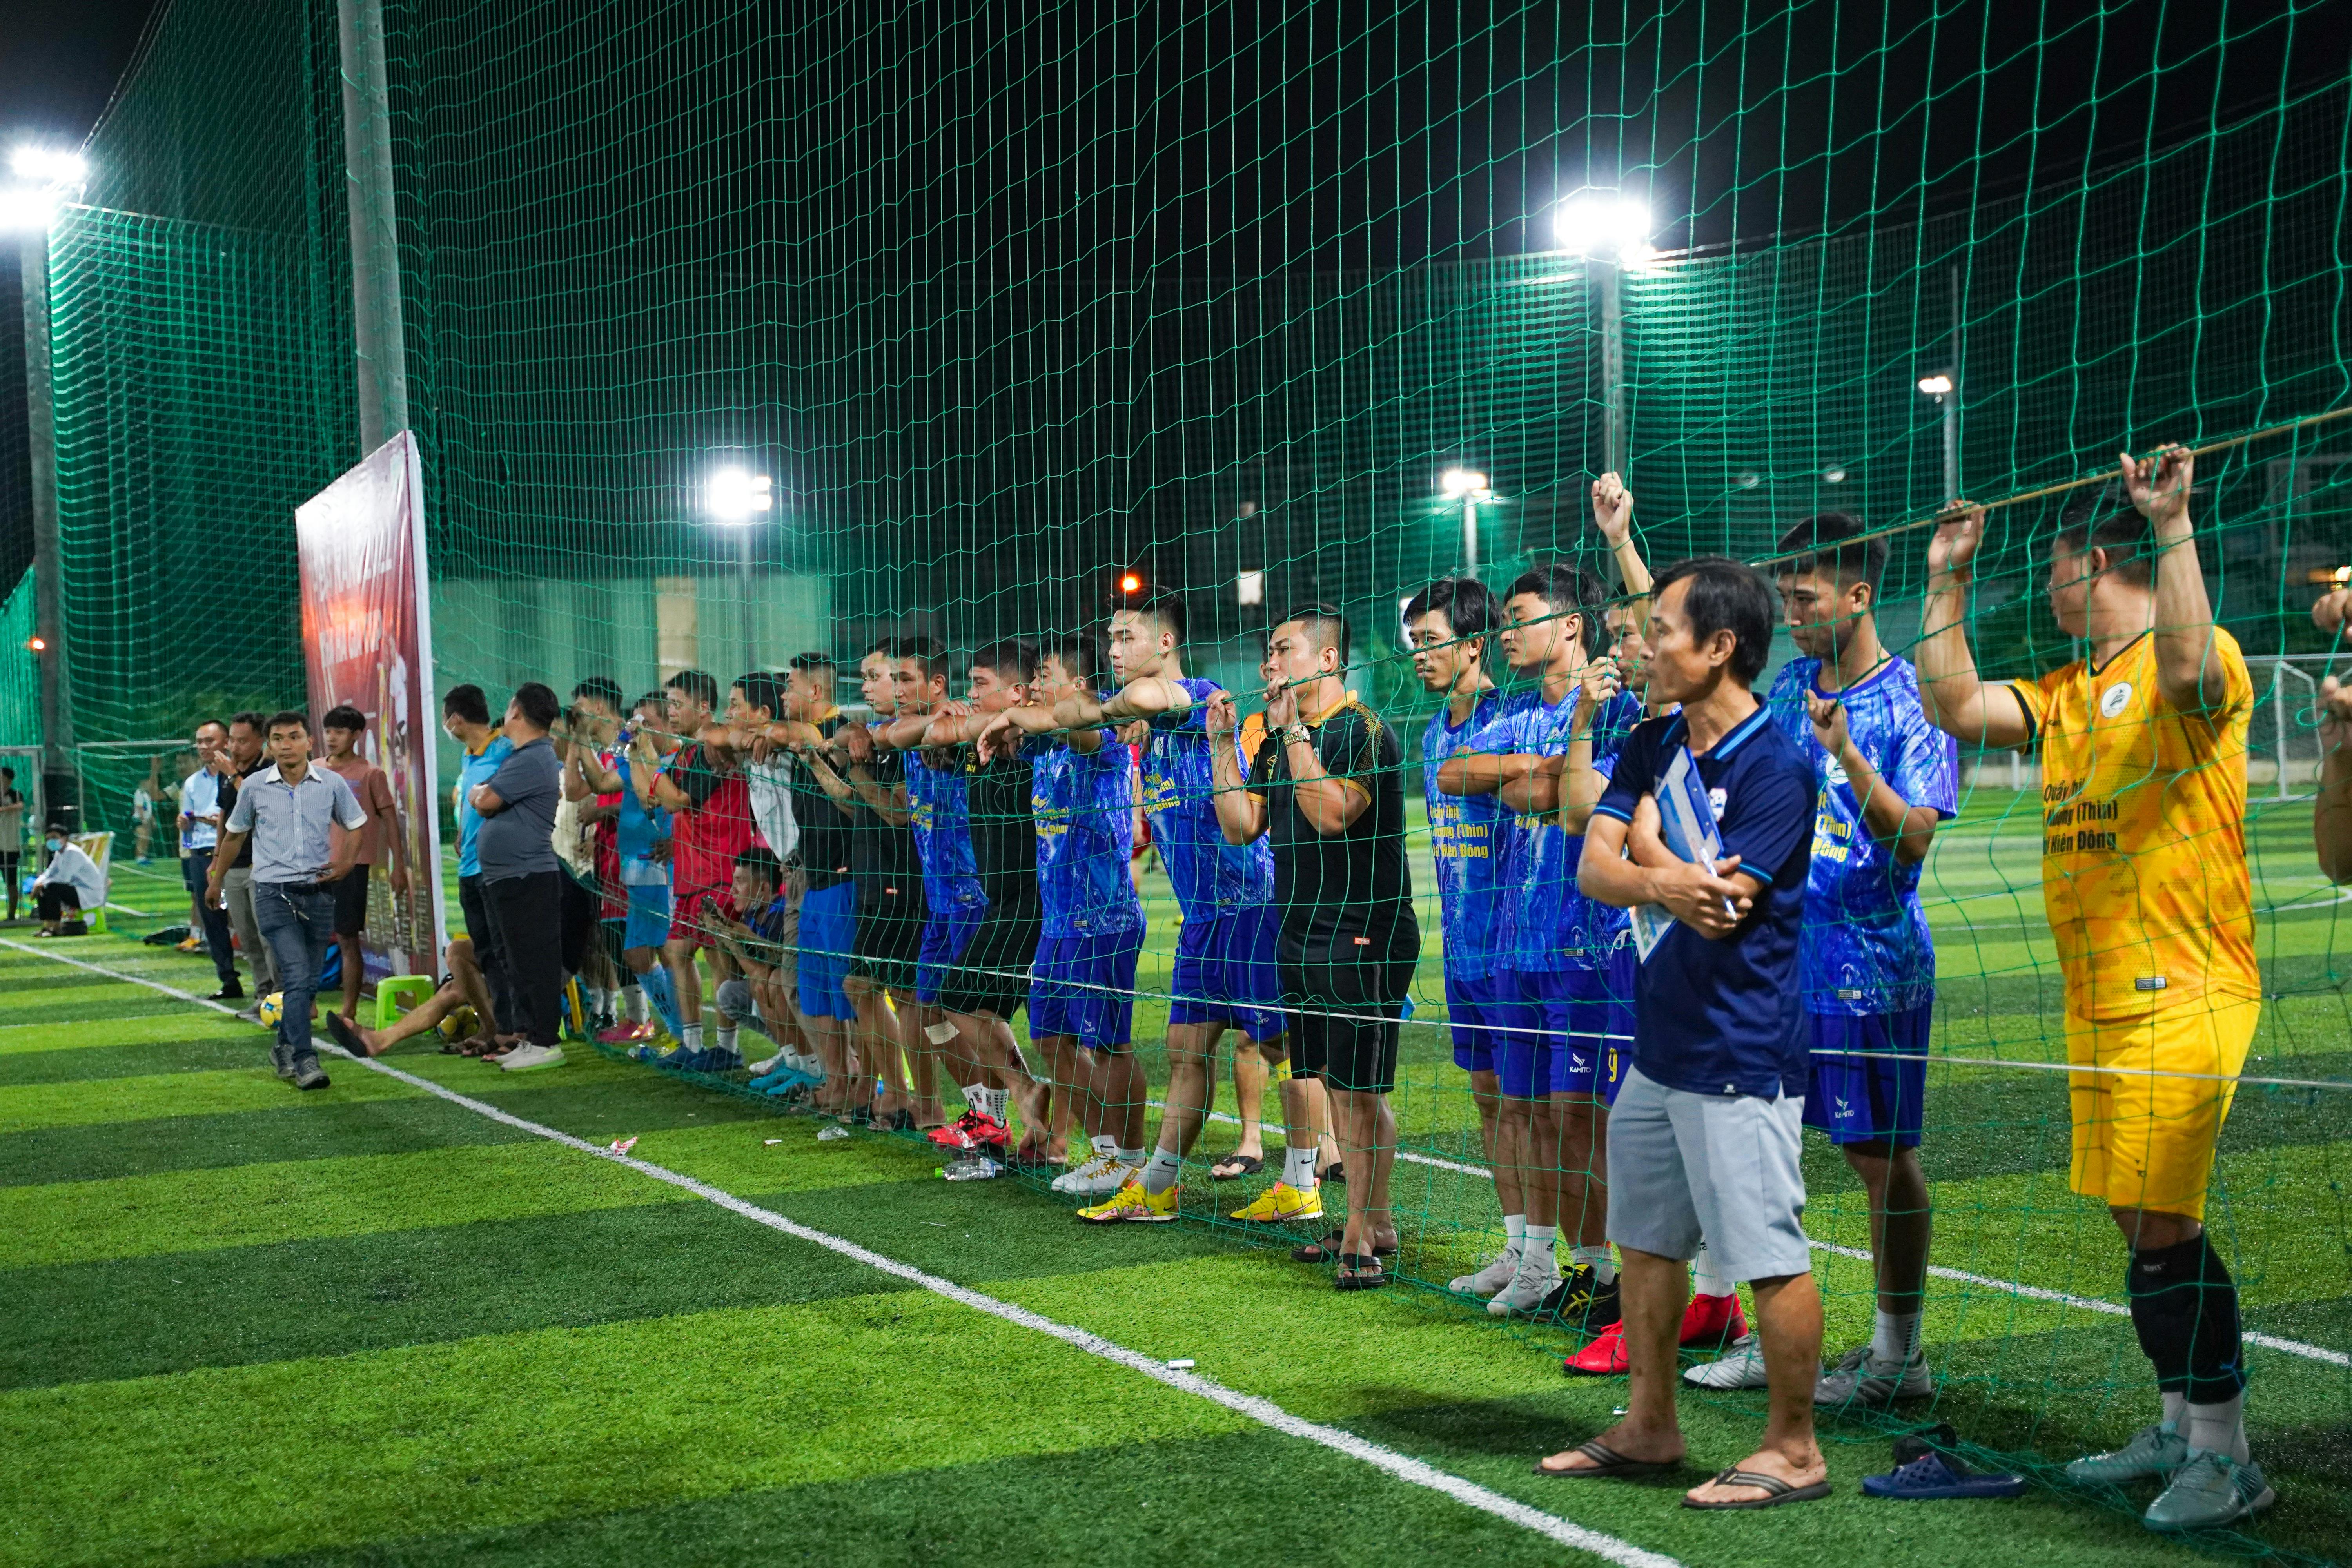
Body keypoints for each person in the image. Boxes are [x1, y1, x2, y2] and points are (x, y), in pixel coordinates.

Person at [1915, 447, 2268, 1530]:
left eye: (2056, 569)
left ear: (2094, 561)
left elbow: (2187, 670)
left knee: (2163, 1221)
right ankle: (2180, 1422)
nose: (2051, 589)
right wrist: (1948, 579)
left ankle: (2229, 1456)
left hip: (2187, 979)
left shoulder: (2188, 662)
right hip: (2101, 991)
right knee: (2137, 1219)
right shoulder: (2066, 694)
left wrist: (2173, 526)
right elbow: (1955, 704)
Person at [1537, 556, 1827, 1510]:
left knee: (1766, 1252)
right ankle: (1651, 1424)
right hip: (1659, 1045)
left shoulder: (1779, 766)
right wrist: (1660, 869)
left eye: (1661, 628)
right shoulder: (1654, 740)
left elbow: (1726, 906)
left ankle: (1793, 1448)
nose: (1643, 642)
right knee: (1647, 1241)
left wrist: (1650, 851)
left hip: (1740, 1051)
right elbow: (1595, 865)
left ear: (1719, 648)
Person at [1691, 512, 1956, 1405]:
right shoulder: (1789, 683)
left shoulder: (1915, 698)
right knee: (1762, 1151)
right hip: (1775, 964)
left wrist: (1843, 751)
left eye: (1806, 598)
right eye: (1788, 599)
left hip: (1869, 965)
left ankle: (1898, 1353)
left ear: (1858, 594)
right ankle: (1781, 1340)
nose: (1794, 615)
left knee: (1881, 1159)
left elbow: (1912, 840)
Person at [1058, 597, 1320, 1225]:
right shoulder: (1150, 725)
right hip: (1203, 918)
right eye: (1110, 639)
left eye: (1126, 637)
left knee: (1285, 1047)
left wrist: (1111, 708)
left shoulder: (1198, 696)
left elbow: (1150, 701)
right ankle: (1159, 1186)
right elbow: (1081, 714)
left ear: (1167, 642)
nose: (1114, 650)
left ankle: (1301, 1184)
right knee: (1185, 1050)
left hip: (1252, 904)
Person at [1439, 557, 1645, 1326]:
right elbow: (1460, 771)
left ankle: (1620, 1269)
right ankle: (1565, 1263)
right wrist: (1548, 770)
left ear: (1570, 626)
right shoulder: (1518, 713)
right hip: (1517, 949)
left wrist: (1555, 774)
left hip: (1587, 949)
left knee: (1584, 1116)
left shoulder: (1616, 709)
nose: (1504, 632)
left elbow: (1572, 808)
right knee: (1536, 1112)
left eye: (1521, 616)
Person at [1211, 605, 1420, 1289]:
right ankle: (1374, 1219)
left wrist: (1292, 731)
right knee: (1334, 1085)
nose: (1269, 665)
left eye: (1282, 651)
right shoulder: (1278, 741)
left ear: (1326, 660)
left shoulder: (1363, 731)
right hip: (1299, 931)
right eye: (1268, 653)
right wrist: (1221, 748)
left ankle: (1363, 1231)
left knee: (1360, 1091)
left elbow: (1330, 814)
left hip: (1363, 931)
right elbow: (1243, 827)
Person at [980, 632, 1148, 1197]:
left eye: (1046, 675)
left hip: (1104, 918)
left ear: (1076, 683)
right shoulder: (1042, 745)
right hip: (1058, 923)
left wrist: (1017, 713)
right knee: (1049, 1036)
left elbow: (1074, 720)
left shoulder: (1096, 737)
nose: (1035, 686)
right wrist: (1004, 717)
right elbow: (1015, 725)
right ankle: (1103, 1152)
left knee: (1107, 1046)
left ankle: (1130, 1158)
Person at [1403, 578, 1517, 1270]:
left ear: (1475, 644)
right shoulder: (1430, 735)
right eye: (1414, 642)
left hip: (1514, 948)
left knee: (1542, 1112)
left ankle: (1583, 1258)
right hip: (1463, 949)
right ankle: (1520, 1246)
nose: (1420, 654)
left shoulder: (1510, 717)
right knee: (1489, 1104)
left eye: (1432, 640)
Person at [928, 641, 1056, 1156]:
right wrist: (945, 718)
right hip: (999, 902)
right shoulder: (980, 749)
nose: (970, 693)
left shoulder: (1036, 747)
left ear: (1017, 692)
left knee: (959, 999)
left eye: (980, 683)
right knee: (969, 1004)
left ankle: (1026, 1099)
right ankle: (1029, 1115)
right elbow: (930, 744)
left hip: (1033, 899)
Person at [208, 710, 367, 1091]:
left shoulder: (330, 784)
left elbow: (357, 825)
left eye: (294, 736)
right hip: (273, 894)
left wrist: (346, 862)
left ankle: (282, 1046)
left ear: (309, 742)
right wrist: (215, 880)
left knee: (307, 983)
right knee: (297, 975)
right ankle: (304, 1058)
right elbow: (234, 836)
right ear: (270, 745)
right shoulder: (254, 787)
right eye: (278, 738)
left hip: (319, 894)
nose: (286, 745)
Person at [632, 668, 759, 1071]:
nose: (670, 711)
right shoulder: (689, 750)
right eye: (668, 703)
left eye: (676, 703)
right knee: (677, 950)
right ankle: (692, 1043)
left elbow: (673, 801)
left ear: (703, 707)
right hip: (693, 870)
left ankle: (727, 1048)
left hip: (721, 866)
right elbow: (651, 796)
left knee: (720, 956)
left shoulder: (709, 749)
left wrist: (647, 760)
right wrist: (638, 752)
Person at [468, 682, 570, 1072]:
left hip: (528, 875)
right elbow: (486, 797)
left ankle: (546, 1040)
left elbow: (486, 800)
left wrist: (481, 795)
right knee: (519, 962)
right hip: (512, 877)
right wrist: (483, 795)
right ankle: (532, 1037)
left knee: (535, 961)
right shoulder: (522, 755)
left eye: (509, 708)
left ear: (516, 713)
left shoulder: (533, 757)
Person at [583, 691, 681, 1044]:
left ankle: (687, 1037)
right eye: (634, 724)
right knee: (637, 956)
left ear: (669, 723)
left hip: (667, 868)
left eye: (647, 724)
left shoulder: (679, 760)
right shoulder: (632, 761)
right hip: (635, 868)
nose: (638, 731)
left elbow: (669, 802)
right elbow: (598, 784)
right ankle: (677, 1029)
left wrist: (680, 842)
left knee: (672, 953)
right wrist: (579, 739)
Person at [319, 704, 407, 1024]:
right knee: (305, 935)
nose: (331, 738)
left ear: (357, 735)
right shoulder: (312, 769)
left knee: (346, 937)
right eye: (328, 731)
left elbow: (390, 820)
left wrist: (399, 866)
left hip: (353, 867)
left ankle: (349, 1010)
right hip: (312, 865)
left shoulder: (370, 774)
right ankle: (306, 1003)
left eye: (339, 732)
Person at [443, 685, 515, 1051]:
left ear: (455, 720)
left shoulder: (505, 749)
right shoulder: (470, 756)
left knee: (503, 952)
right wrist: (461, 833)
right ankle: (496, 1028)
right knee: (485, 952)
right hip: (468, 868)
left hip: (495, 868)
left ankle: (513, 1031)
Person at [215, 711, 280, 1011]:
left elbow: (260, 806)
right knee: (247, 936)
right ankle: (261, 994)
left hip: (263, 864)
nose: (235, 747)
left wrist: (233, 775)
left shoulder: (269, 771)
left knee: (269, 935)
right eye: (232, 740)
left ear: (260, 741)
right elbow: (225, 817)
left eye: (242, 741)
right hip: (234, 865)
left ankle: (279, 997)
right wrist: (217, 860)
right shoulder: (226, 773)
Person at [175, 727, 240, 992]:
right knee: (212, 920)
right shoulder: (192, 783)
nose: (203, 747)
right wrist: (185, 828)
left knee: (248, 920)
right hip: (202, 855)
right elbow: (187, 825)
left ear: (226, 742)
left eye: (209, 741)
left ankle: (270, 984)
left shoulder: (238, 775)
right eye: (199, 741)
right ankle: (228, 980)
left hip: (237, 853)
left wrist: (216, 823)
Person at [30, 824, 104, 936]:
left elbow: (64, 879)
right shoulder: (60, 853)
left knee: (51, 887)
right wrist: (38, 883)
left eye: (54, 837)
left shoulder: (72, 852)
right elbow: (49, 872)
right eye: (48, 839)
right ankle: (47, 925)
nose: (51, 841)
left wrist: (42, 884)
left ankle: (55, 927)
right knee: (45, 887)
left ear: (64, 838)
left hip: (88, 894)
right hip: (76, 891)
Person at [2, 765, 27, 924]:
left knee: (11, 882)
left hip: (10, 846)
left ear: (9, 781)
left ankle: (12, 915)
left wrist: (3, 810)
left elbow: (20, 806)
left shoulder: (16, 795)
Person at [132, 757, 161, 863]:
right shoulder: (139, 793)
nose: (149, 785)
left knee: (147, 838)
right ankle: (139, 858)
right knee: (142, 838)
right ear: (143, 783)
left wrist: (153, 820)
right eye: (148, 783)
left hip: (146, 820)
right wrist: (144, 820)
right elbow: (140, 808)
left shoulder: (147, 795)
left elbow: (148, 809)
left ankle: (143, 857)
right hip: (139, 820)